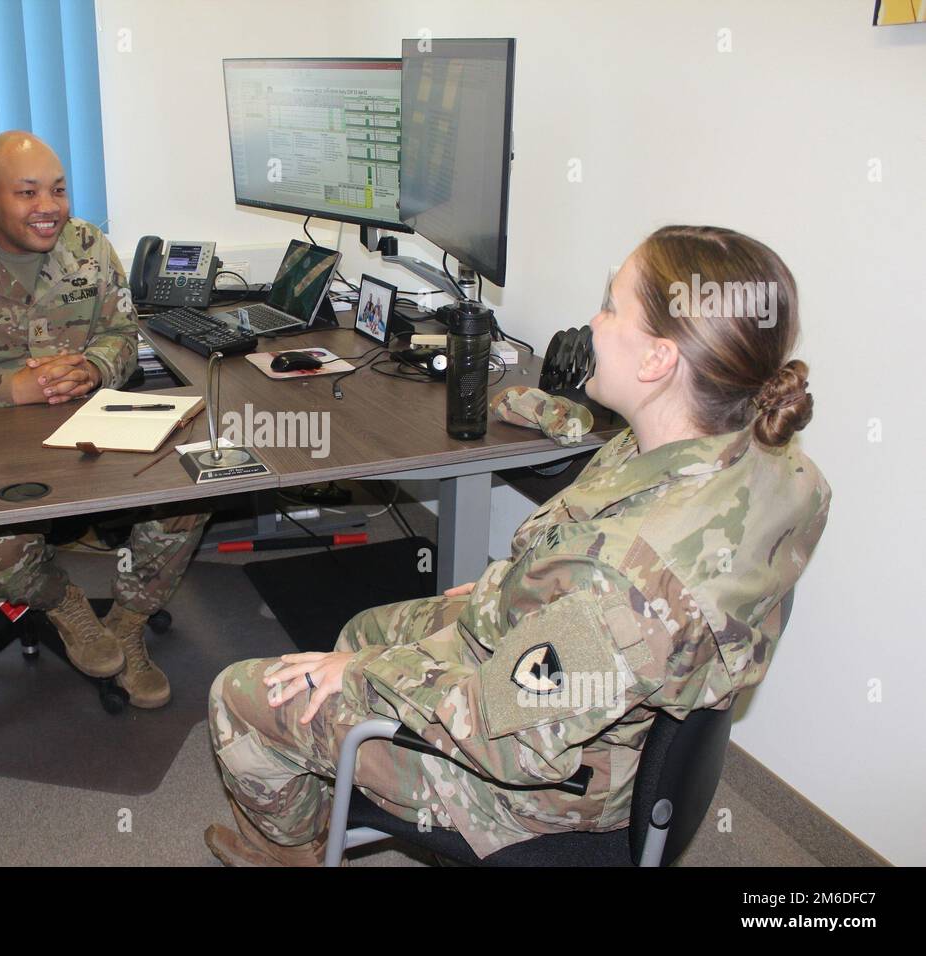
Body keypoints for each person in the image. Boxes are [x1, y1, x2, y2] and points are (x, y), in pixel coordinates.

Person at [204, 224, 831, 865]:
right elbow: (602, 593)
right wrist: (506, 592)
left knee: (244, 692)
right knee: (363, 629)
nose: (593, 321)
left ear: (658, 361)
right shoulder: (757, 459)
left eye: (613, 306)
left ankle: (286, 852)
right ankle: (329, 778)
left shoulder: (622, 584)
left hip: (532, 781)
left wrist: (364, 680)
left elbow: (504, 734)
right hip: (587, 696)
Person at [0, 131, 208, 709]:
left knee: (191, 486)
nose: (48, 207)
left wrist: (96, 369)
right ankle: (62, 603)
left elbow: (125, 336)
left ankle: (127, 620)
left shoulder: (89, 247)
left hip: (88, 433)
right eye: (27, 193)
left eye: (58, 190)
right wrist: (9, 388)